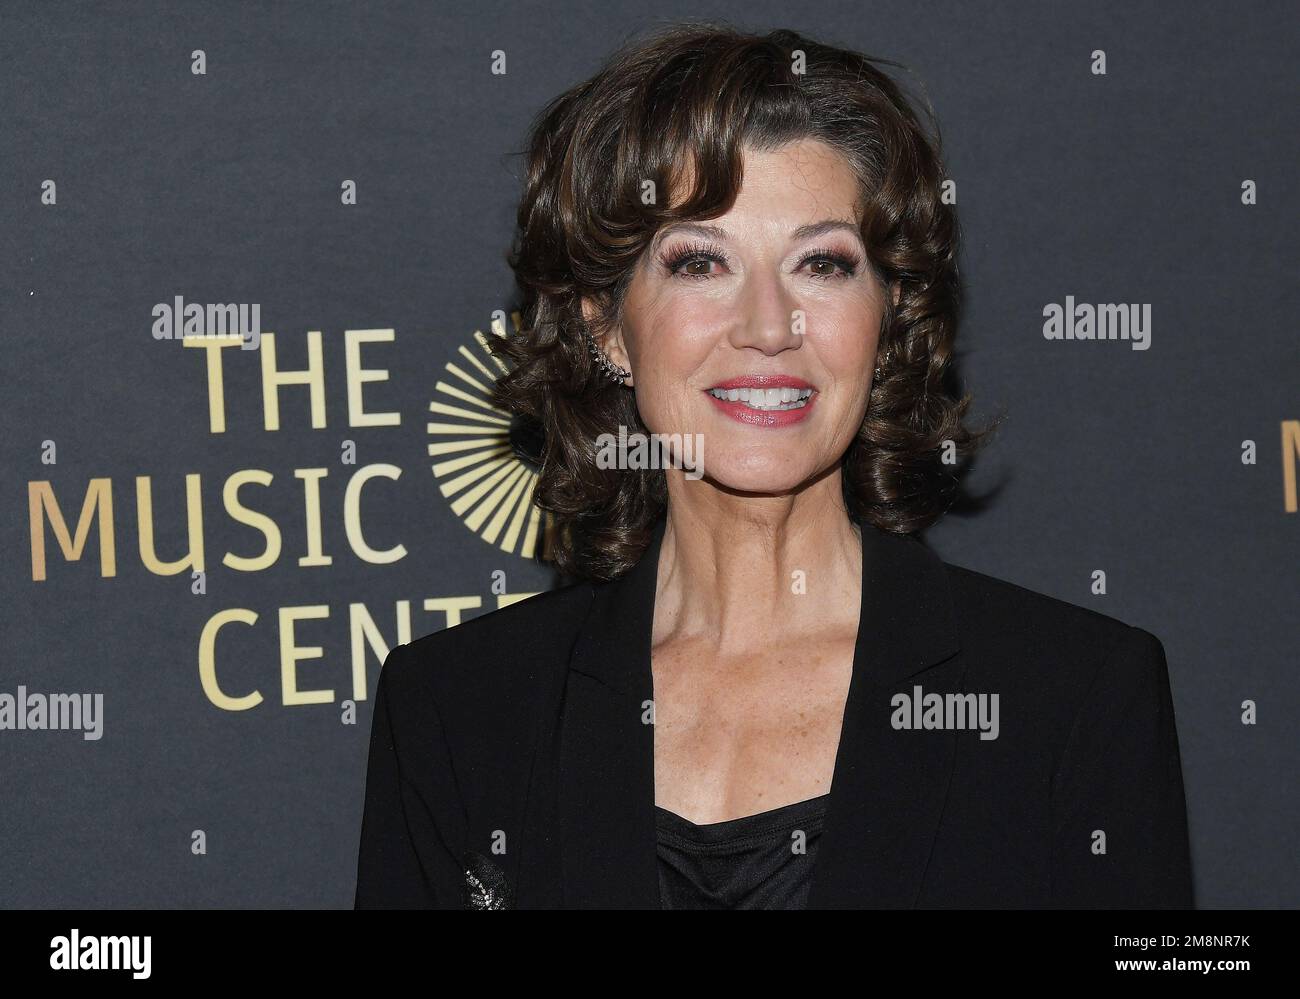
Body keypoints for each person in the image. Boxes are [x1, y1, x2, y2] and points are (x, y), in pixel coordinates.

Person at [354, 22, 1193, 909]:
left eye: (822, 263)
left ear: (889, 314)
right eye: (700, 262)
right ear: (606, 324)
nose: (767, 324)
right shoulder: (460, 711)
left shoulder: (1074, 699)